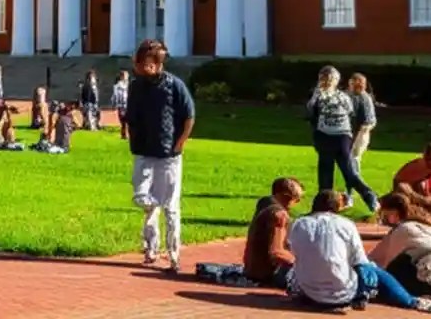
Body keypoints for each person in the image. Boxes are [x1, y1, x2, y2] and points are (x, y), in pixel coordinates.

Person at [287, 190, 431, 315]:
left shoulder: (298, 224)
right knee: (372, 269)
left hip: (308, 291)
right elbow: (363, 261)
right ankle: (411, 302)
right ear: (337, 208)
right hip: (342, 293)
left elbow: (295, 253)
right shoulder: (346, 225)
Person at [125, 39, 194, 273]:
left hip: (168, 155)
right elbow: (131, 115)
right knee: (143, 199)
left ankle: (173, 255)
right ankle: (150, 246)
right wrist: (131, 134)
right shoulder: (136, 86)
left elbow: (189, 116)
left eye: (141, 62)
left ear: (154, 64)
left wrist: (180, 143)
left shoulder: (175, 85)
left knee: (171, 207)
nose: (137, 66)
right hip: (144, 152)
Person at [196, 177, 302, 288]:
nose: (296, 203)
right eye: (296, 199)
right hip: (267, 275)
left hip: (251, 269)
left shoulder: (265, 202)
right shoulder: (279, 216)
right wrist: (301, 262)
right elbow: (276, 253)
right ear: (285, 196)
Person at [307, 65, 378, 213]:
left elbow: (351, 113)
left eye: (330, 78)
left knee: (349, 171)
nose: (326, 81)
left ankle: (369, 196)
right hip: (324, 136)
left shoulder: (343, 96)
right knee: (325, 174)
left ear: (336, 80)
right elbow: (310, 111)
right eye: (323, 78)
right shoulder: (317, 95)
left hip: (341, 137)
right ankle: (324, 207)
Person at [348, 73, 376, 205]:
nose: (356, 85)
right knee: (350, 164)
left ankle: (358, 194)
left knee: (353, 163)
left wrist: (357, 137)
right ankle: (351, 193)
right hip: (349, 133)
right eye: (354, 83)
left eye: (359, 83)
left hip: (360, 134)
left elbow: (368, 122)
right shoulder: (349, 96)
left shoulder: (364, 99)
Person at [112, 70, 130, 140]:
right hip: (121, 105)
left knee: (128, 120)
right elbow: (115, 96)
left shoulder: (129, 85)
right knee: (123, 121)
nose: (127, 77)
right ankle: (124, 135)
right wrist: (114, 104)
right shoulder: (117, 86)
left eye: (127, 76)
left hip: (128, 104)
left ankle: (126, 134)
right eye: (126, 76)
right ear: (122, 77)